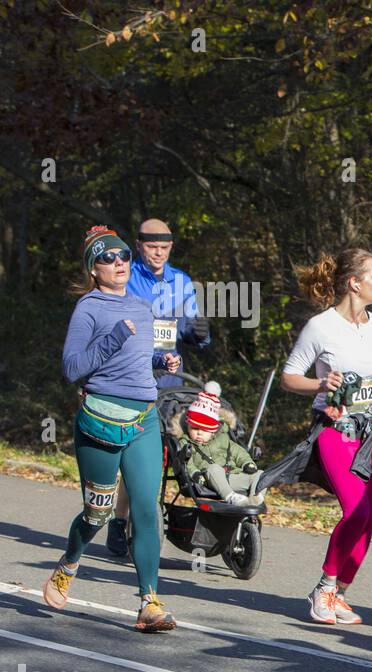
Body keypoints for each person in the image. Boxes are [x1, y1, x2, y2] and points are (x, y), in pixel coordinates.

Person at [43, 226, 177, 631]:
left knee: (146, 510)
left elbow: (132, 360)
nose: (118, 263)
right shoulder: (88, 307)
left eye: (122, 256)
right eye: (107, 258)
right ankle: (70, 560)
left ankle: (149, 601)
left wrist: (160, 362)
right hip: (101, 423)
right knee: (97, 514)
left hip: (143, 420)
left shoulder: (141, 306)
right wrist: (115, 338)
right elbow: (72, 368)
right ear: (93, 269)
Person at [271, 248, 372, 625]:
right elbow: (289, 376)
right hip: (335, 430)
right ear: (355, 283)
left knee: (369, 518)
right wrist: (319, 383)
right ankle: (324, 587)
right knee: (356, 509)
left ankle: (340, 593)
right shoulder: (321, 327)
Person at [106, 218, 205, 556]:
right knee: (133, 451)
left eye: (164, 248)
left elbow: (192, 328)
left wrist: (199, 334)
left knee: (166, 452)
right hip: (131, 375)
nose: (158, 253)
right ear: (138, 245)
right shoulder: (126, 277)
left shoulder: (182, 281)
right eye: (152, 247)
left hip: (171, 379)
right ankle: (119, 520)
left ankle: (157, 517)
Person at [175, 382, 265, 506]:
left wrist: (247, 463)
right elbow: (187, 464)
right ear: (188, 427)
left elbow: (239, 452)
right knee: (214, 469)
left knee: (261, 475)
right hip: (208, 479)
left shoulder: (223, 439)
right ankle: (230, 496)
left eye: (205, 430)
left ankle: (254, 498)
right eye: (195, 429)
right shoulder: (186, 442)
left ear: (213, 432)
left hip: (233, 476)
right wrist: (195, 474)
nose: (199, 433)